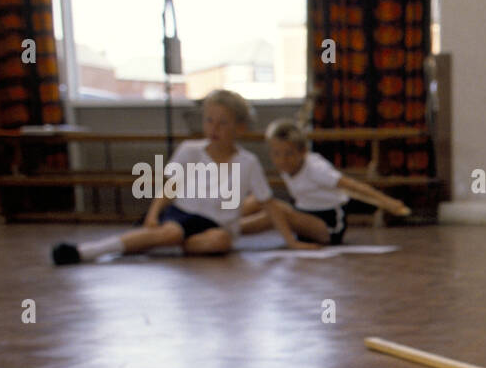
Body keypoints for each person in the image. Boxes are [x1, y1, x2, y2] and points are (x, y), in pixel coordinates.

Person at [51, 89, 271, 264]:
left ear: (239, 128)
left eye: (223, 122)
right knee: (170, 233)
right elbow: (171, 187)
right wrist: (153, 214)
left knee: (220, 241)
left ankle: (182, 243)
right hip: (182, 214)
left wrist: (291, 240)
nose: (214, 128)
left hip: (217, 227)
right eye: (209, 120)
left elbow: (267, 201)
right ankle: (87, 251)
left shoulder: (248, 162)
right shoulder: (190, 150)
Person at [237, 119, 412, 249]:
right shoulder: (285, 168)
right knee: (257, 200)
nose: (282, 160)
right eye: (276, 154)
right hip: (304, 215)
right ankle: (220, 221)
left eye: (288, 154)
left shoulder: (316, 168)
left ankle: (230, 230)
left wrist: (388, 202)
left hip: (329, 225)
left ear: (302, 152)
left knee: (275, 209)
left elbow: (351, 186)